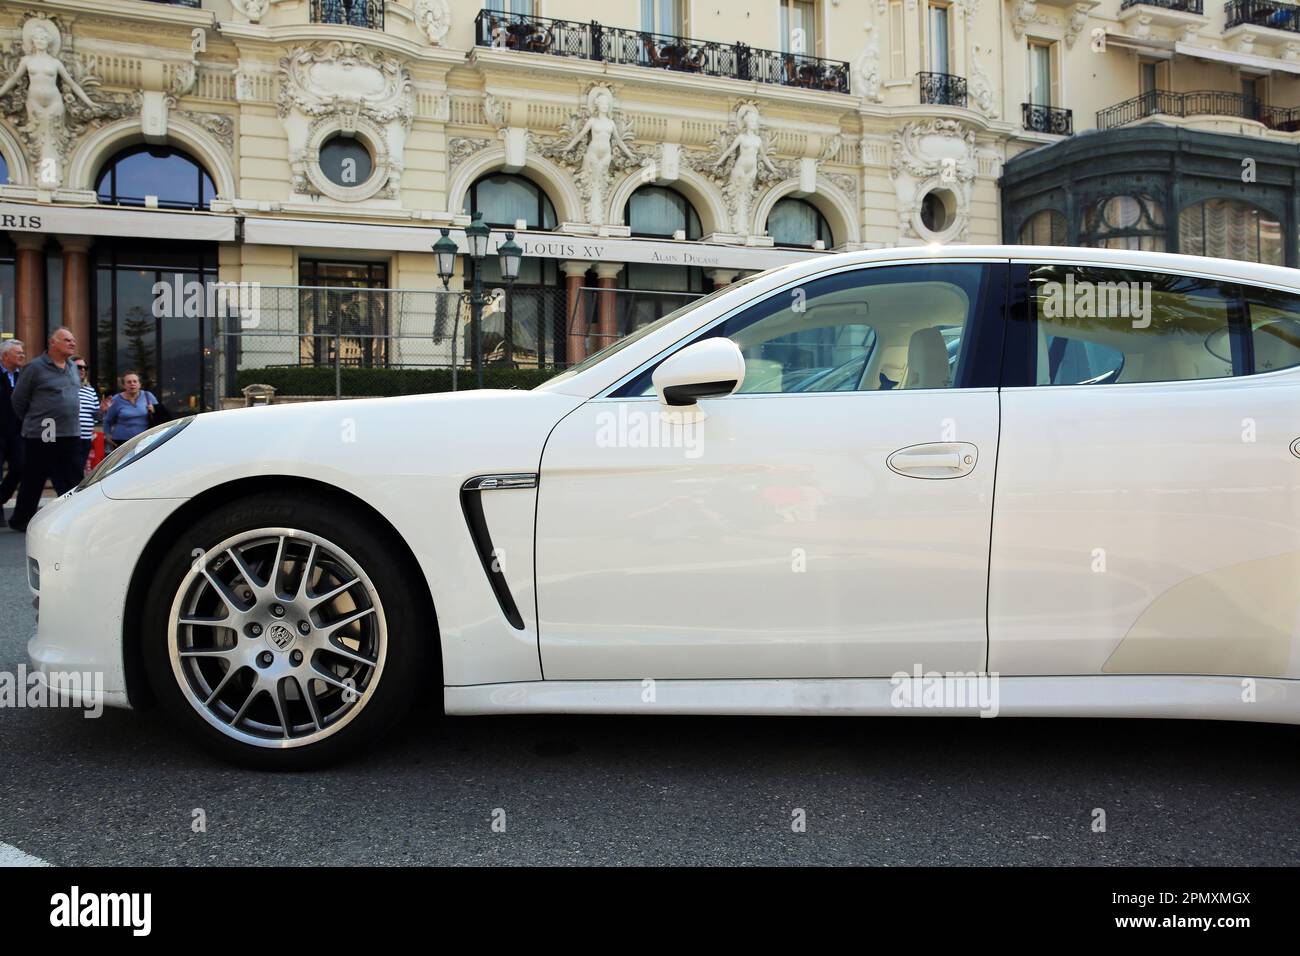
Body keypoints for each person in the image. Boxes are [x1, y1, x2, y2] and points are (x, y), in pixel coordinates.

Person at [9, 327, 83, 532]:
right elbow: (18, 399)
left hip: (70, 431)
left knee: (72, 476)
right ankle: (20, 519)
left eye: (73, 339)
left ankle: (72, 517)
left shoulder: (72, 367)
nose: (72, 343)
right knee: (35, 476)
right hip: (44, 431)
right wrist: (35, 420)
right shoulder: (35, 367)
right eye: (67, 340)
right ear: (53, 343)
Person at [0, 339, 25, 517]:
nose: (22, 355)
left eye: (22, 352)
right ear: (5, 356)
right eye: (18, 352)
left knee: (21, 466)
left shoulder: (22, 376)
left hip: (17, 432)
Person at [102, 371, 157, 449]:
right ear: (124, 385)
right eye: (129, 382)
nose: (132, 384)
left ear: (139, 384)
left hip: (144, 440)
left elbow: (161, 415)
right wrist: (107, 435)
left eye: (135, 381)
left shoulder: (148, 396)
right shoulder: (116, 399)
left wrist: (154, 410)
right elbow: (107, 420)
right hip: (121, 441)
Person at [72, 356, 100, 473]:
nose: (83, 370)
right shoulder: (64, 388)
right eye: (79, 367)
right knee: (73, 470)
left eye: (85, 367)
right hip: (71, 437)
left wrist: (103, 411)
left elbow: (97, 416)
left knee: (79, 471)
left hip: (86, 439)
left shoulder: (90, 390)